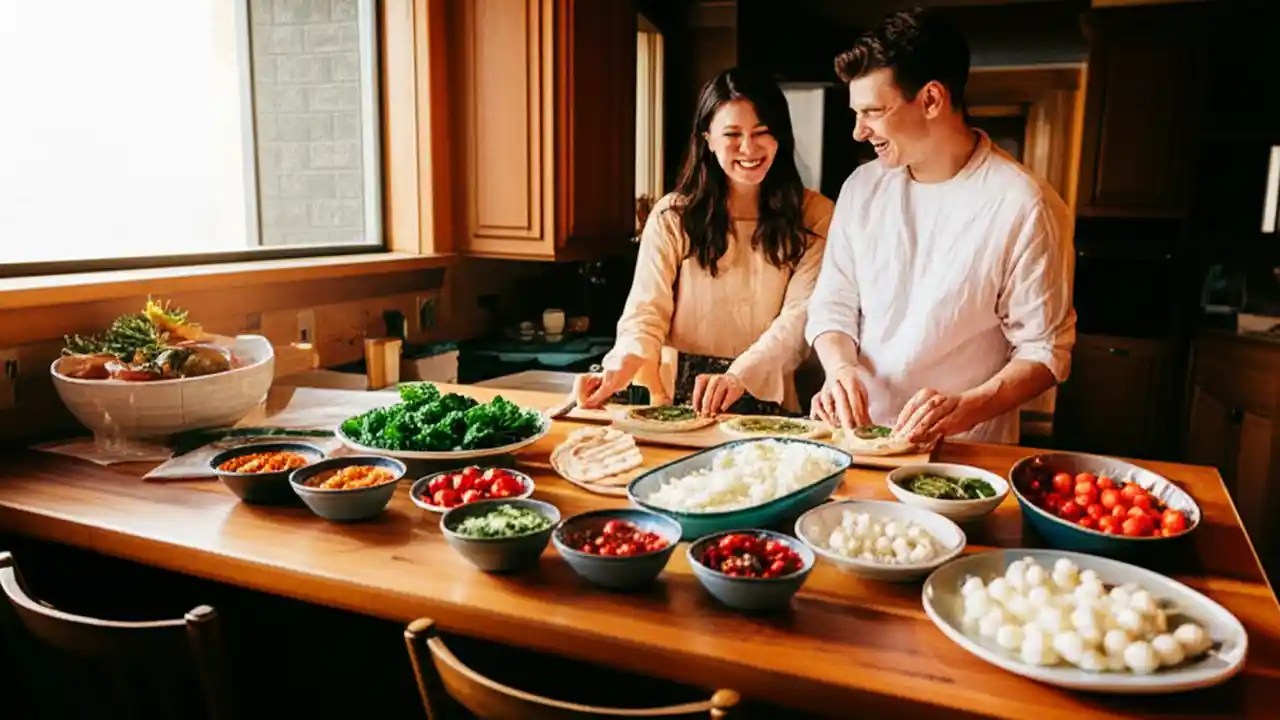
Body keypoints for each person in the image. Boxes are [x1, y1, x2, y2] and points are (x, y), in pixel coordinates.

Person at [805, 8, 1076, 445]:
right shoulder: (862, 187)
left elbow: (1044, 352)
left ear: (932, 99)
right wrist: (839, 369)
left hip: (962, 452)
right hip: (857, 440)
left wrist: (968, 409)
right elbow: (833, 304)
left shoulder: (1023, 204)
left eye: (873, 111)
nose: (858, 131)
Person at [577, 67, 835, 416]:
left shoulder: (815, 216)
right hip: (675, 398)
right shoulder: (674, 216)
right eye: (732, 134)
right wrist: (619, 365)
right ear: (707, 139)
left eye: (762, 132)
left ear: (780, 137)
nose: (748, 148)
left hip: (767, 393)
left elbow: (797, 321)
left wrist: (738, 375)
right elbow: (645, 311)